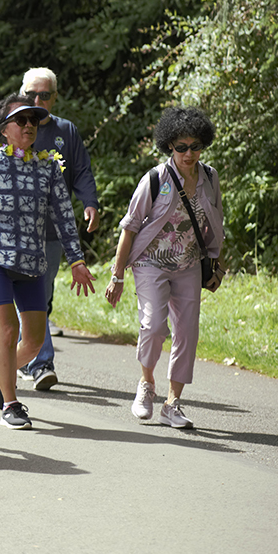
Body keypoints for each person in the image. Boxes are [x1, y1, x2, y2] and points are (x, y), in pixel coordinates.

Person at [0, 95, 97, 430]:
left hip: (33, 262)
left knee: (33, 341)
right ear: (5, 130)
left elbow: (63, 215)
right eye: (22, 121)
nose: (30, 126)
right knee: (8, 329)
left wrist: (77, 259)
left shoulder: (48, 167)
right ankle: (12, 403)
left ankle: (3, 372)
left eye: (34, 121)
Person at [106, 106, 225, 429]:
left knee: (187, 333)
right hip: (150, 263)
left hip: (188, 265)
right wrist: (117, 276)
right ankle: (146, 384)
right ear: (169, 147)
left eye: (195, 146)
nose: (189, 154)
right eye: (181, 147)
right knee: (154, 325)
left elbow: (216, 224)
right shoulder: (156, 179)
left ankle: (173, 404)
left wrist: (217, 264)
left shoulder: (210, 178)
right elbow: (129, 227)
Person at [6, 67, 102, 391]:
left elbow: (82, 172)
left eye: (44, 95)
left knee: (41, 295)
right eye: (31, 95)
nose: (36, 101)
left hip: (52, 233)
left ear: (54, 97)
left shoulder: (66, 131)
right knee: (31, 294)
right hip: (18, 233)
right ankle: (41, 362)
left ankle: (25, 354)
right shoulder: (12, 128)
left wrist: (90, 203)